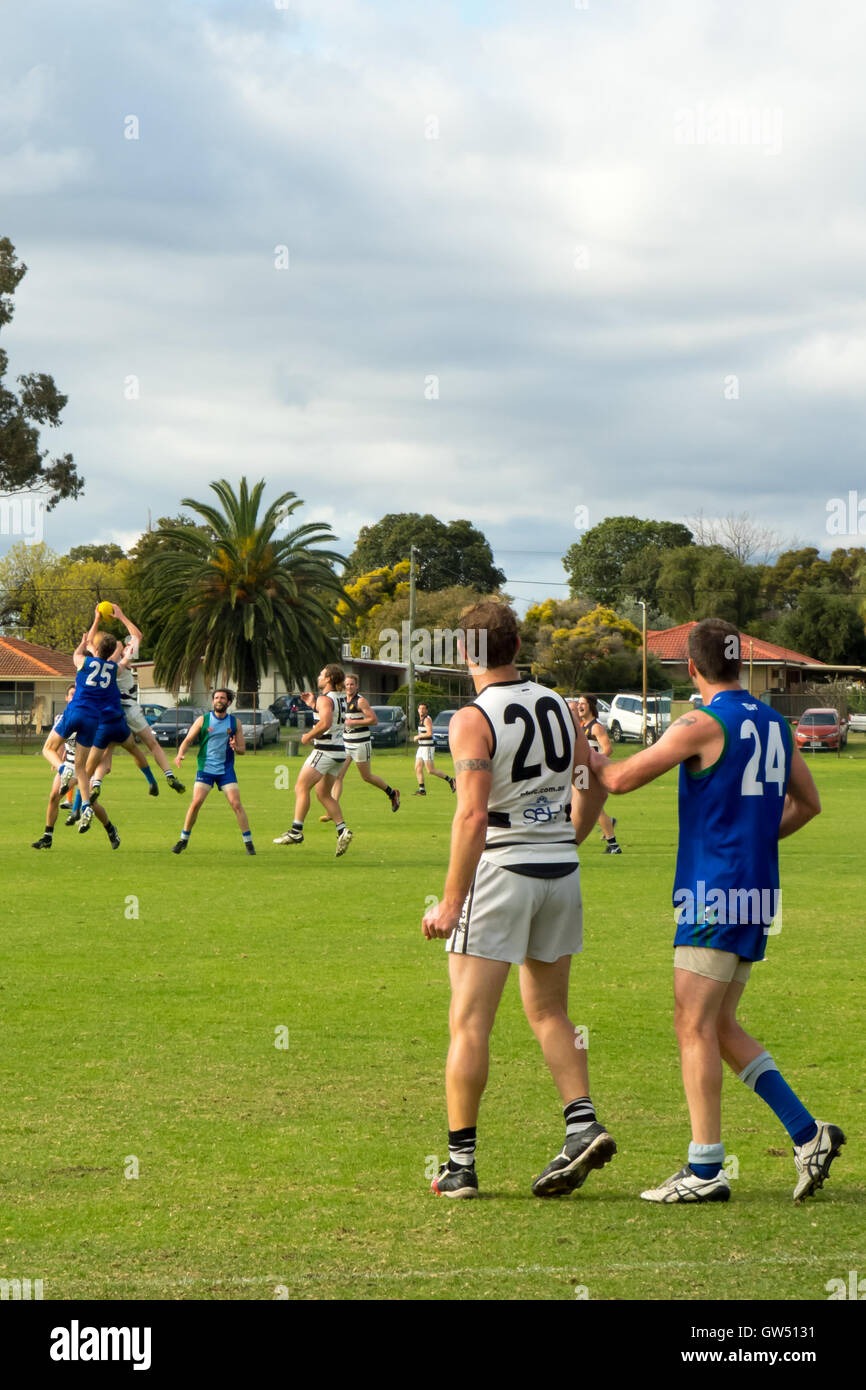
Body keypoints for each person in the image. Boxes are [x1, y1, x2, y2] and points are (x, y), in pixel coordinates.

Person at [590, 617, 844, 1204]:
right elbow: (809, 804)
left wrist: (594, 750)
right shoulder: (775, 724)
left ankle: (705, 1170)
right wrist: (755, 839)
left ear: (693, 669)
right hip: (755, 891)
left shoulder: (701, 723)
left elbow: (621, 780)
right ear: (739, 664)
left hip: (714, 891)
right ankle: (809, 1135)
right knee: (719, 1025)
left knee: (693, 1024)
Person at [421, 601, 613, 1199]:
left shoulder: (472, 717)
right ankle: (581, 1125)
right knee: (551, 1012)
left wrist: (451, 901)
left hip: (503, 871)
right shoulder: (559, 703)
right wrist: (568, 838)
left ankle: (460, 1167)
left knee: (469, 1021)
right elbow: (593, 780)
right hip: (561, 871)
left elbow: (473, 814)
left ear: (463, 651)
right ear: (517, 643)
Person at [86, 604, 185, 798]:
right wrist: (121, 616)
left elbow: (90, 641)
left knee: (107, 751)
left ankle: (97, 783)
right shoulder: (121, 663)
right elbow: (137, 636)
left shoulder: (98, 664)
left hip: (110, 713)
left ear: (98, 650)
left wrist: (96, 619)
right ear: (116, 648)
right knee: (152, 744)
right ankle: (169, 774)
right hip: (130, 708)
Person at [43, 620, 130, 834]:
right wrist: (121, 649)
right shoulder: (113, 669)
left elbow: (77, 654)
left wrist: (84, 642)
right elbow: (121, 662)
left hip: (76, 711)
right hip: (93, 719)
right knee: (82, 768)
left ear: (96, 649)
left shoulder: (84, 662)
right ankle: (85, 806)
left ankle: (63, 769)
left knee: (49, 749)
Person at [273, 665, 353, 857]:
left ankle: (296, 831)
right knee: (323, 794)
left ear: (329, 678)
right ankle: (343, 830)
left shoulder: (326, 699)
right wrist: (312, 704)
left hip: (325, 750)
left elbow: (325, 723)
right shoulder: (338, 697)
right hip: (339, 752)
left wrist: (308, 735)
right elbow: (330, 715)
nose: (318, 676)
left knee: (301, 787)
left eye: (321, 674)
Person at [33, 685, 120, 850]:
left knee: (92, 803)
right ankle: (47, 836)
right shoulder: (62, 717)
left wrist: (106, 761)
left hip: (88, 767)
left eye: (76, 694)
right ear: (66, 698)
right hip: (69, 765)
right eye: (71, 694)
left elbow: (105, 742)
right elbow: (57, 742)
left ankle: (110, 829)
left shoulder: (92, 717)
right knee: (53, 797)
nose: (74, 697)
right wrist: (57, 761)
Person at [171, 688, 255, 855]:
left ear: (228, 702)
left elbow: (243, 749)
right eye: (216, 697)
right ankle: (183, 840)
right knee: (195, 804)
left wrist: (235, 747)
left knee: (236, 804)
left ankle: (249, 844)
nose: (218, 700)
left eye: (222, 698)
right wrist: (180, 754)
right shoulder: (203, 720)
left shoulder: (234, 722)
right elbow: (188, 740)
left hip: (226, 770)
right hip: (206, 769)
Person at [319, 674, 400, 818]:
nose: (349, 687)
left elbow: (374, 720)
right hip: (345, 744)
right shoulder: (342, 700)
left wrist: (354, 722)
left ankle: (392, 793)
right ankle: (332, 811)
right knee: (338, 776)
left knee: (366, 777)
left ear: (357, 686)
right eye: (347, 684)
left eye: (351, 684)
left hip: (361, 744)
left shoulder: (361, 701)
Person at [571, 695, 621, 853]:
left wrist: (595, 763)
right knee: (578, 804)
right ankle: (608, 826)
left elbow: (608, 749)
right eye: (578, 704)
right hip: (581, 772)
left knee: (592, 806)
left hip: (589, 772)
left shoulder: (596, 727)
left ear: (591, 706)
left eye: (582, 704)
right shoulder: (581, 725)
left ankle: (613, 845)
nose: (579, 707)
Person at [413, 703, 455, 796]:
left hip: (427, 747)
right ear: (418, 710)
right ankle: (422, 790)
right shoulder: (420, 719)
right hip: (421, 747)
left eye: (423, 709)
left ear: (426, 710)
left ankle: (451, 780)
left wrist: (418, 736)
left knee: (430, 770)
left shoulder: (427, 719)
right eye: (420, 708)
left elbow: (429, 733)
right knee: (417, 768)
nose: (421, 710)